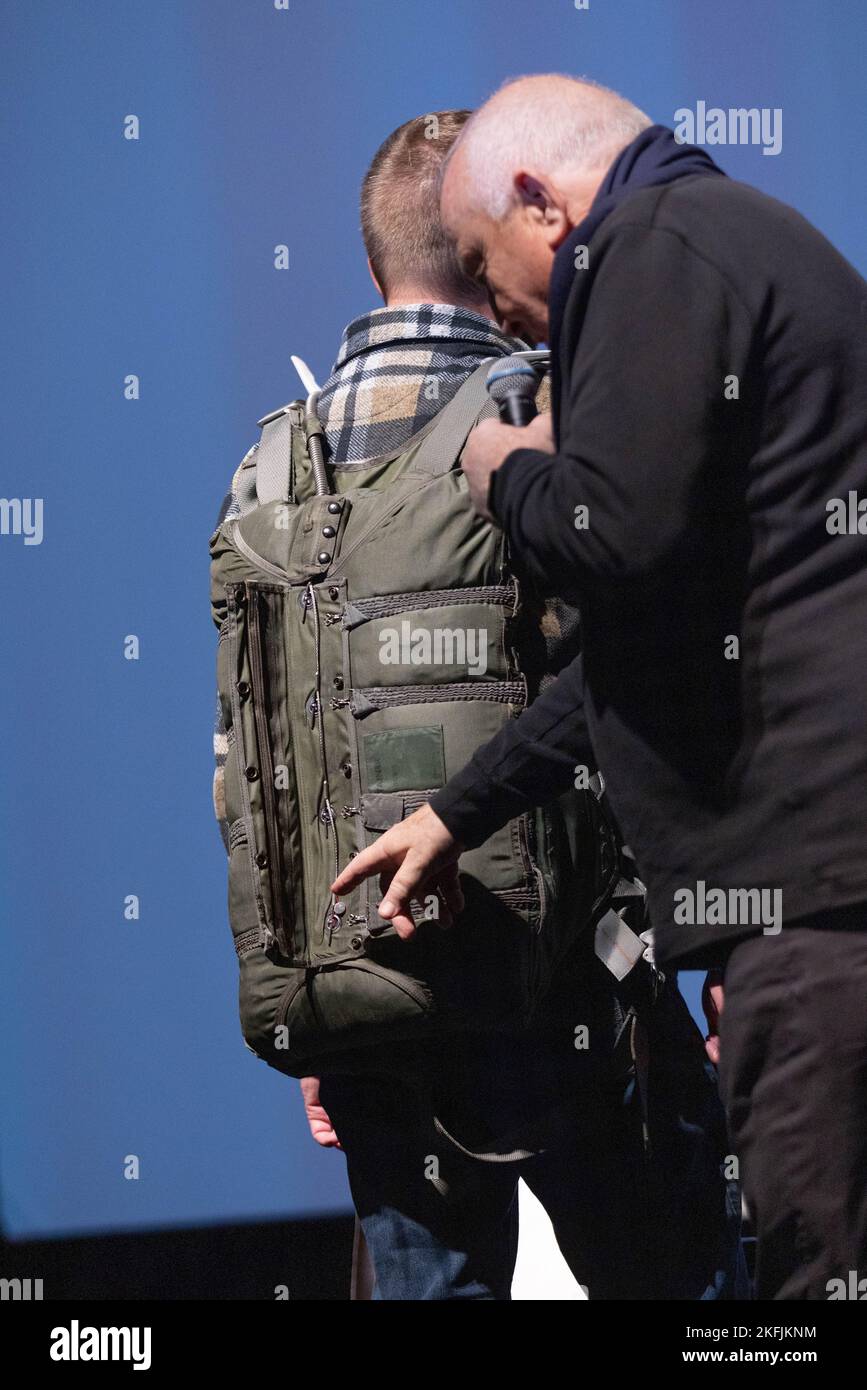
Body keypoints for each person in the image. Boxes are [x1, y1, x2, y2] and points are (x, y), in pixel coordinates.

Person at [333, 74, 867, 1301]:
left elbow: (609, 539)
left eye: (488, 266)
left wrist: (504, 466)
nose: (513, 320)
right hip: (812, 899)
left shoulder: (652, 247)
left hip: (818, 907)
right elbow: (643, 630)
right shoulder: (735, 243)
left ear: (542, 204)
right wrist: (458, 810)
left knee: (811, 1281)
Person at [213, 108, 744, 1301]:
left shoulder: (274, 469)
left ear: (372, 268)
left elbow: (261, 757)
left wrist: (331, 991)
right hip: (589, 988)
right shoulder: (552, 419)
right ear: (492, 247)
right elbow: (658, 685)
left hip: (374, 980)